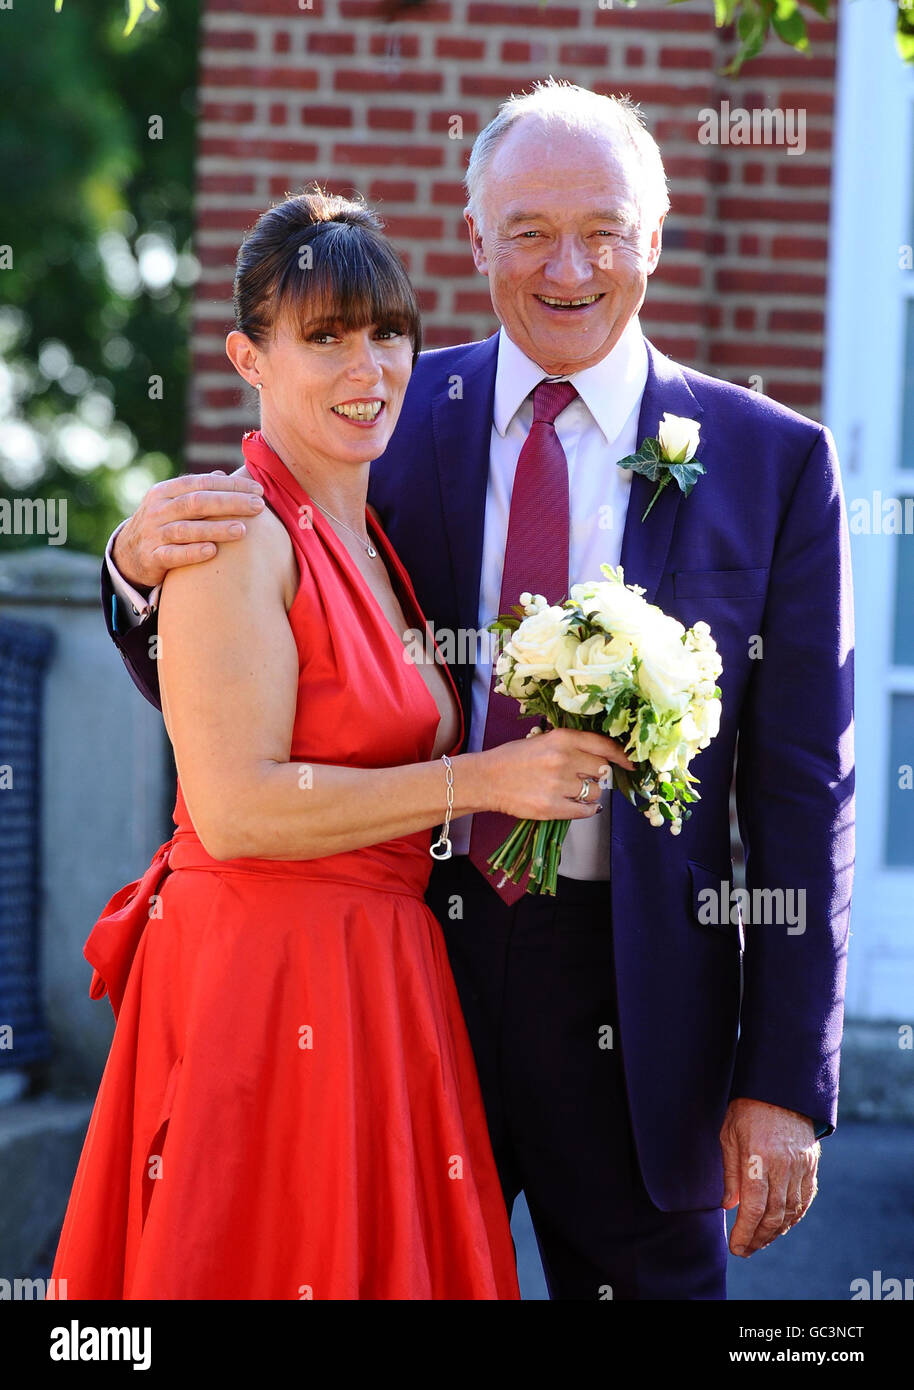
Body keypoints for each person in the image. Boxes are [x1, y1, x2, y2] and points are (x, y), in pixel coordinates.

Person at [101, 81, 855, 1301]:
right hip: (400, 970)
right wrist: (131, 572)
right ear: (473, 240)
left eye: (604, 229)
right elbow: (253, 663)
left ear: (652, 242)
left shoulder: (775, 463)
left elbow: (804, 792)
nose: (568, 266)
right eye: (527, 231)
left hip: (639, 1003)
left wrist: (780, 1082)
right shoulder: (383, 411)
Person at [51, 185, 636, 1300]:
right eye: (323, 337)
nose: (366, 369)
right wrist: (488, 778)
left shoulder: (375, 536)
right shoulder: (232, 532)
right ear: (247, 357)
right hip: (264, 981)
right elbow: (237, 807)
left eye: (385, 333)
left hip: (384, 976)